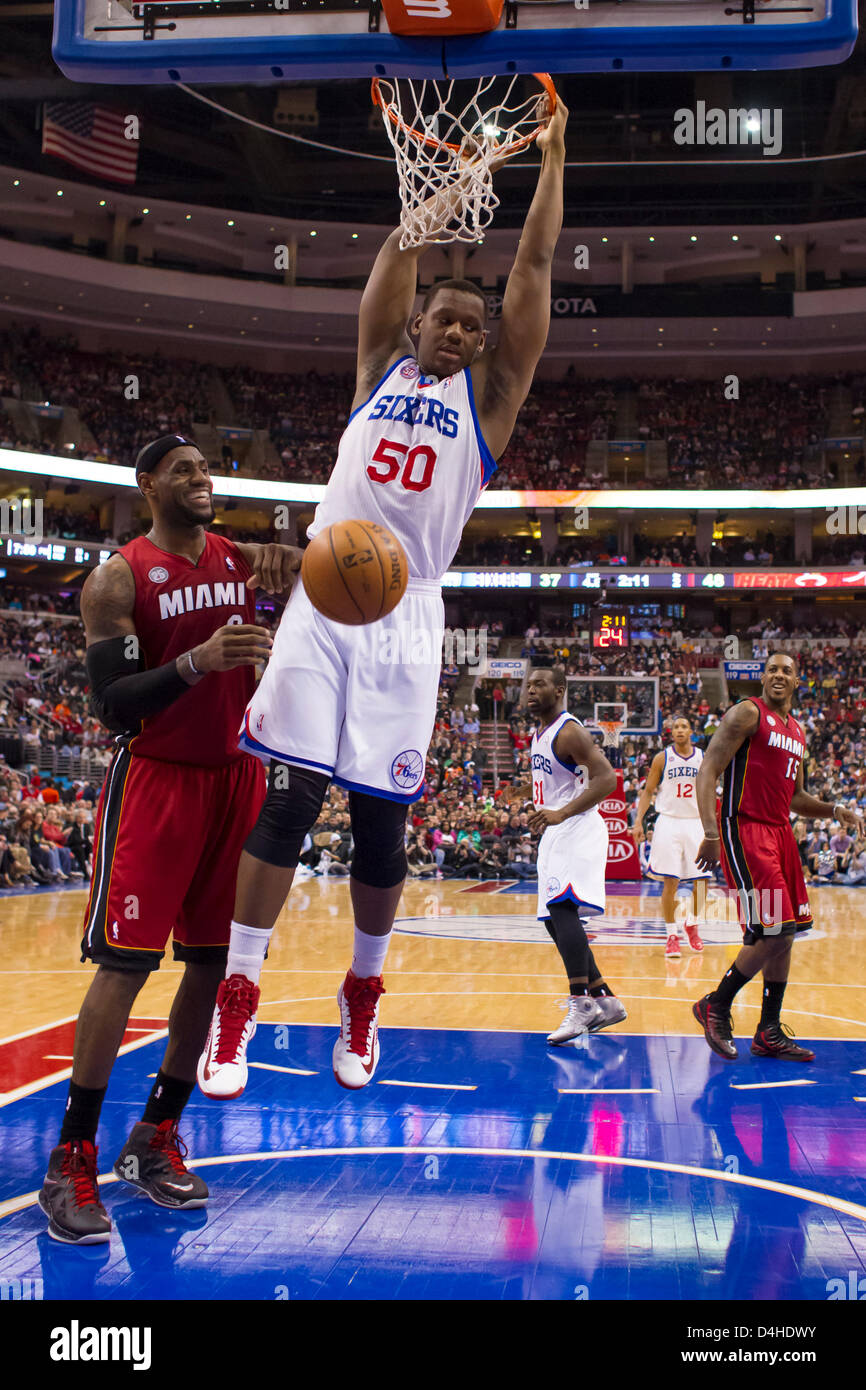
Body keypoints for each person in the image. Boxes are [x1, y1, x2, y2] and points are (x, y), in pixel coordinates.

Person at [198, 93, 570, 1096]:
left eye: (470, 322)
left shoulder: (488, 404)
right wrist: (449, 175)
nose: (456, 327)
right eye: (441, 316)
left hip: (408, 617)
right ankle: (238, 998)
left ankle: (361, 995)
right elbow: (403, 240)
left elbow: (530, 269)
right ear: (412, 323)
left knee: (380, 829)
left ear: (483, 341)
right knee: (285, 803)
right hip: (323, 599)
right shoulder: (373, 365)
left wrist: (552, 158)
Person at [38, 434, 301, 1245]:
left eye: (205, 467)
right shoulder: (119, 577)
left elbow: (323, 557)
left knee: (216, 967)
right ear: (146, 483)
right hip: (158, 780)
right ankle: (70, 1159)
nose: (200, 478)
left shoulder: (243, 560)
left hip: (238, 778)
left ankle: (155, 1135)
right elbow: (115, 705)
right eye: (182, 469)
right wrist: (197, 662)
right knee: (125, 967)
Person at [692, 653, 863, 1062]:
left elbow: (797, 798)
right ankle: (715, 1003)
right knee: (777, 930)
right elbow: (708, 772)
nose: (779, 675)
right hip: (744, 830)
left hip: (780, 834)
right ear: (763, 677)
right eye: (772, 669)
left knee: (783, 936)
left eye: (787, 670)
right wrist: (711, 832)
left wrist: (834, 810)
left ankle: (768, 1030)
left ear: (798, 679)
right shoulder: (747, 714)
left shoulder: (797, 731)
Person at [524, 667, 627, 1044]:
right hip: (555, 832)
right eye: (529, 685)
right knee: (554, 920)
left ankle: (581, 1001)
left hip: (576, 828)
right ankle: (605, 998)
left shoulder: (569, 730)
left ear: (560, 690)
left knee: (562, 911)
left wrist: (561, 812)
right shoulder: (539, 734)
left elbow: (607, 779)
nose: (532, 690)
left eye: (540, 685)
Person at [631, 714, 709, 959]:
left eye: (684, 726)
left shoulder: (703, 758)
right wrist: (638, 821)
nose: (679, 730)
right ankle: (671, 935)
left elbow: (710, 794)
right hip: (669, 822)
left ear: (691, 732)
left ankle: (692, 924)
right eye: (675, 727)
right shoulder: (661, 758)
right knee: (670, 882)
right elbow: (648, 792)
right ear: (671, 732)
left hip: (695, 822)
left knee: (703, 881)